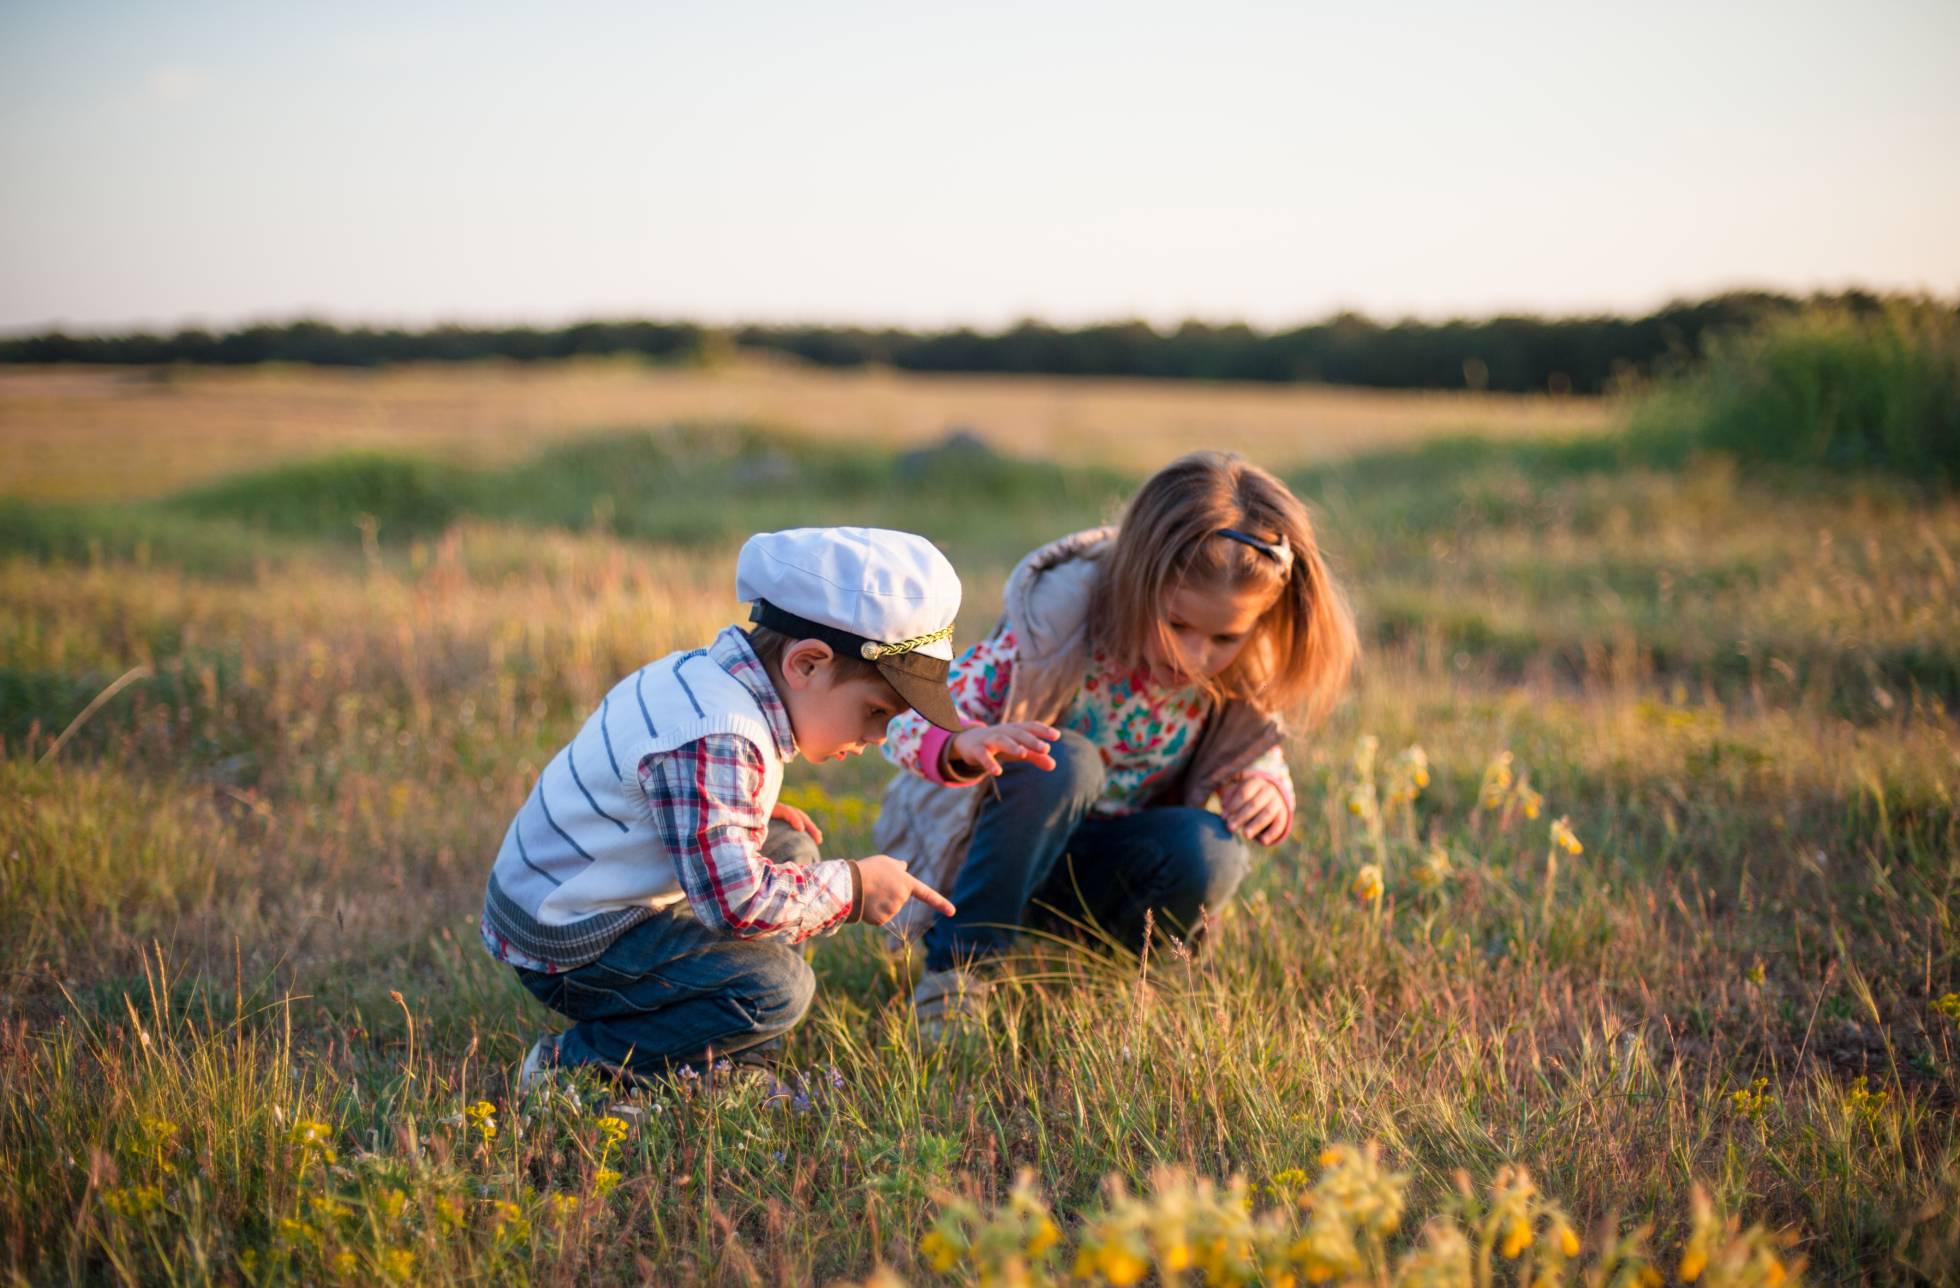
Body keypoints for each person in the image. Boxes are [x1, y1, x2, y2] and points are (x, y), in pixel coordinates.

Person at [876, 452, 1357, 1031]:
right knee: (1065, 761)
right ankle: (958, 971)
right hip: (998, 859)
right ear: (1137, 581)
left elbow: (1255, 756)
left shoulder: (1236, 677)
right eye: (1176, 624)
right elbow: (906, 722)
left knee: (1213, 847)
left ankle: (1125, 969)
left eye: (1225, 635)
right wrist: (963, 743)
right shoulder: (1054, 629)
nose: (1194, 656)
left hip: (1110, 870)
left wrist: (1264, 789)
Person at [481, 526, 966, 1088]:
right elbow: (737, 903)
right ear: (807, 665)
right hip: (572, 941)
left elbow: (663, 786)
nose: (879, 737)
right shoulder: (721, 735)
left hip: (569, 902)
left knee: (791, 848)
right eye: (877, 712)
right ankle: (575, 1066)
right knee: (778, 988)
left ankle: (729, 1052)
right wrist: (853, 890)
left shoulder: (704, 676)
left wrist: (741, 808)